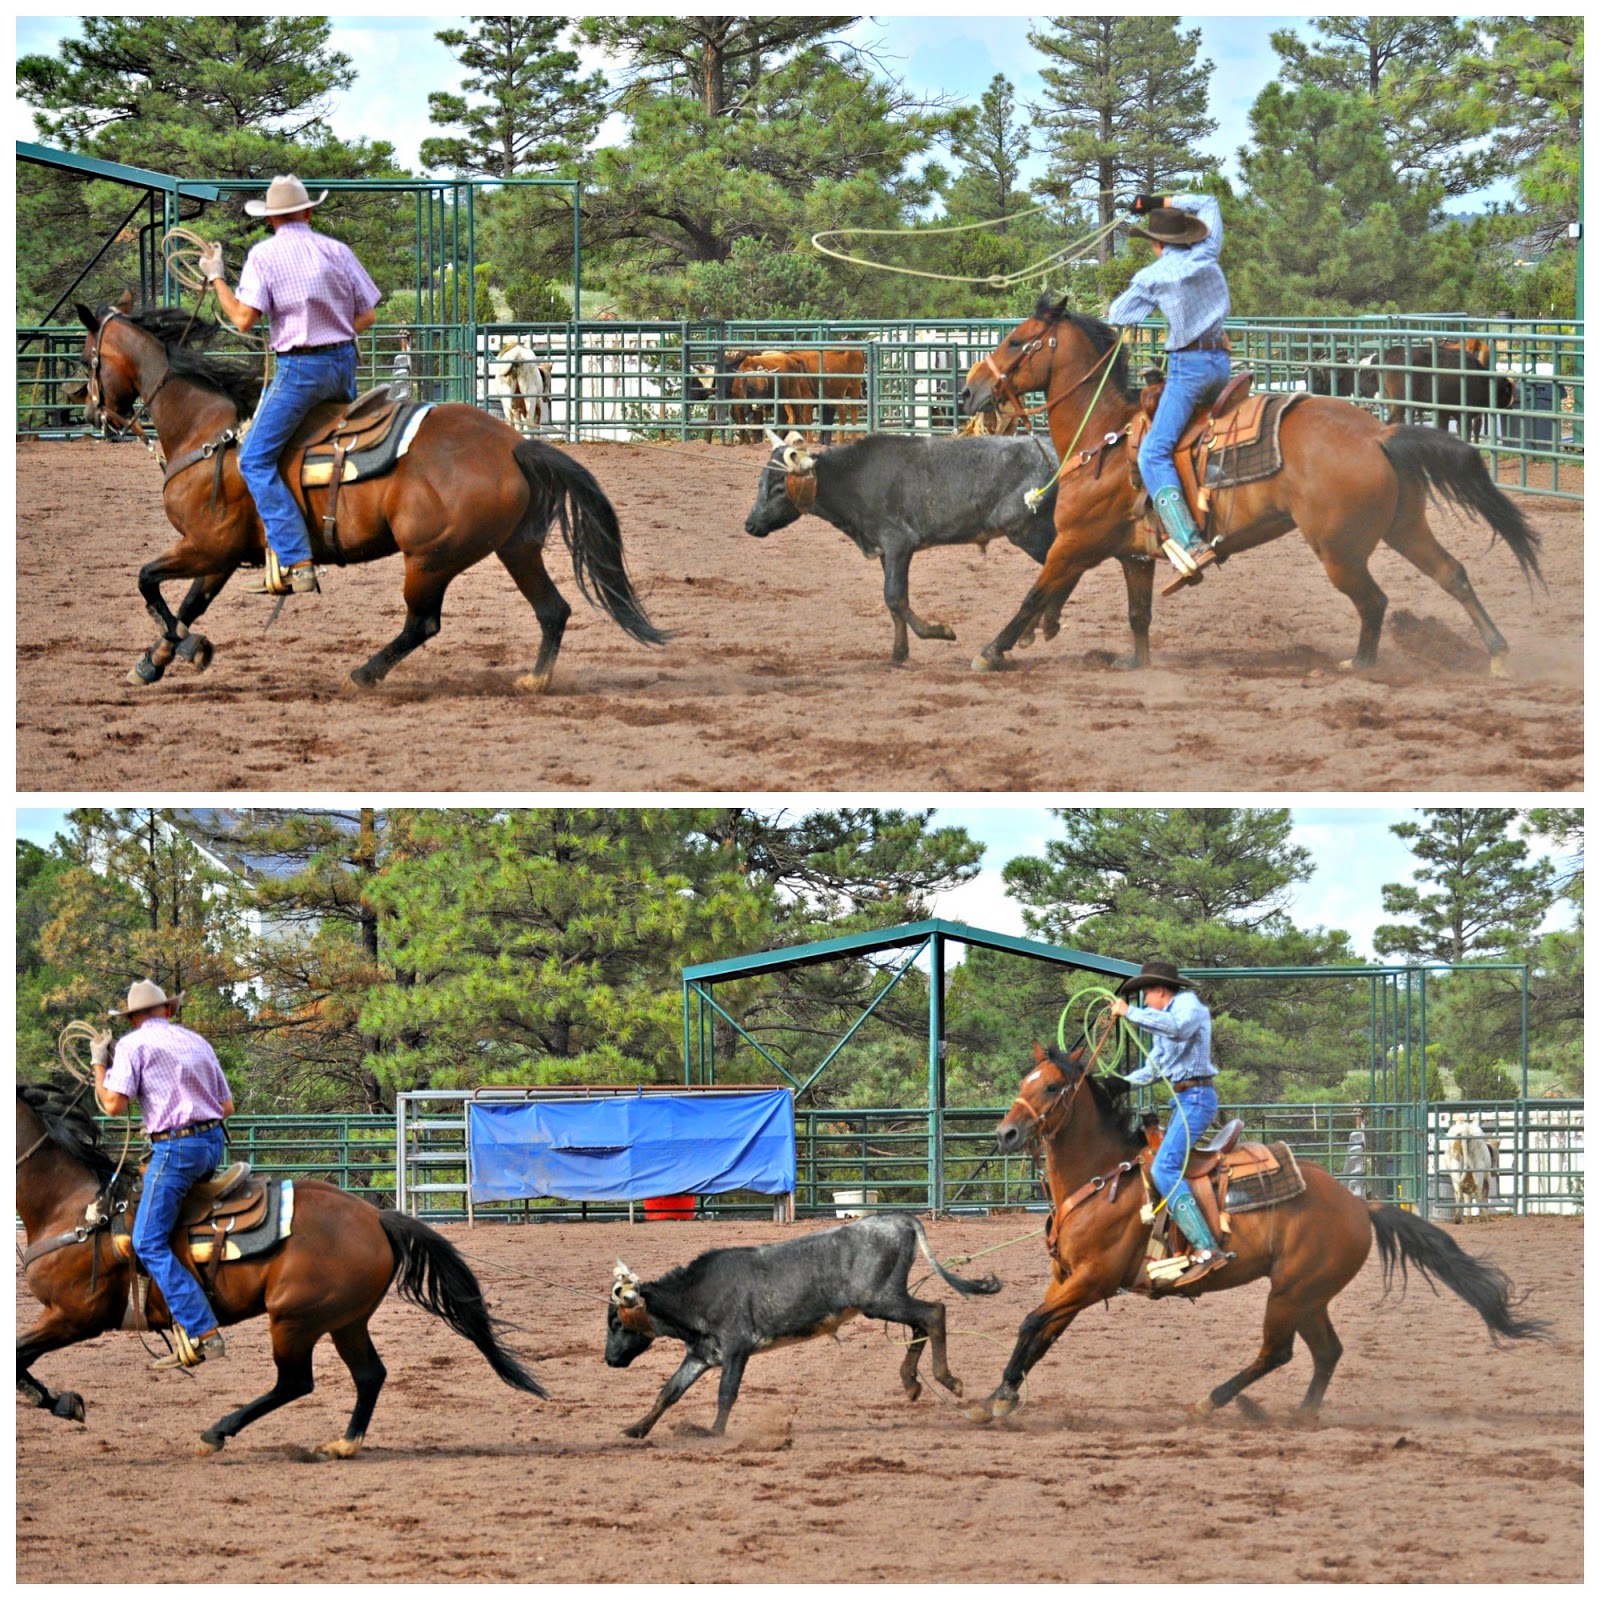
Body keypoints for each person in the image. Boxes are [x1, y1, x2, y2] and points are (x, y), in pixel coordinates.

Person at [198, 175, 382, 596]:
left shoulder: (264, 255)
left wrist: (216, 278)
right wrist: (335, 332)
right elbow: (368, 315)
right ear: (309, 212)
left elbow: (243, 319)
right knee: (322, 447)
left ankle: (297, 560)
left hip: (300, 372)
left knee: (254, 459)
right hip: (342, 368)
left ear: (271, 219)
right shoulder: (337, 250)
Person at [92, 979, 235, 1369]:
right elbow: (227, 1107)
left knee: (146, 1240)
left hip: (177, 1151)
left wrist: (99, 1064)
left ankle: (202, 1329)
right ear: (168, 1010)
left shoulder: (132, 1045)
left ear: (132, 1018)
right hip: (212, 1145)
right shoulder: (196, 1041)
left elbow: (113, 1106)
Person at [1107, 193, 1231, 580]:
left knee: (1153, 452)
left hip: (1189, 371)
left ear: (1157, 244)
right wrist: (1160, 200)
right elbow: (1209, 202)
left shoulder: (1153, 277)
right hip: (1221, 364)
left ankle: (1189, 541)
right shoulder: (1207, 251)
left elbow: (1118, 313)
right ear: (1187, 237)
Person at [1109, 958, 1234, 1288]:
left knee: (1165, 1167)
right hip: (1184, 1101)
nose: (1145, 1002)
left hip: (1197, 1099)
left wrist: (1129, 1013)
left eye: (1146, 995)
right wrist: (1120, 1083)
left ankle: (1207, 1247)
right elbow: (1155, 1068)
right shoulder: (1163, 1024)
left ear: (1160, 991)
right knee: (1155, 1163)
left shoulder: (1188, 1006)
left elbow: (1177, 1027)